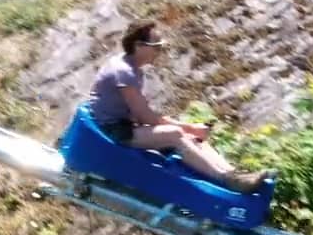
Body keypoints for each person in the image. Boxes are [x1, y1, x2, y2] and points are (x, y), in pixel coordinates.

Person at [87, 19, 268, 193]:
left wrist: (190, 131)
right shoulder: (124, 72)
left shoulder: (131, 68)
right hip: (115, 129)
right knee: (176, 134)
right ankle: (225, 180)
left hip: (126, 124)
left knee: (191, 137)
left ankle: (233, 175)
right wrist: (188, 127)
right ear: (138, 45)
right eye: (156, 46)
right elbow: (145, 117)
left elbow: (145, 115)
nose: (160, 50)